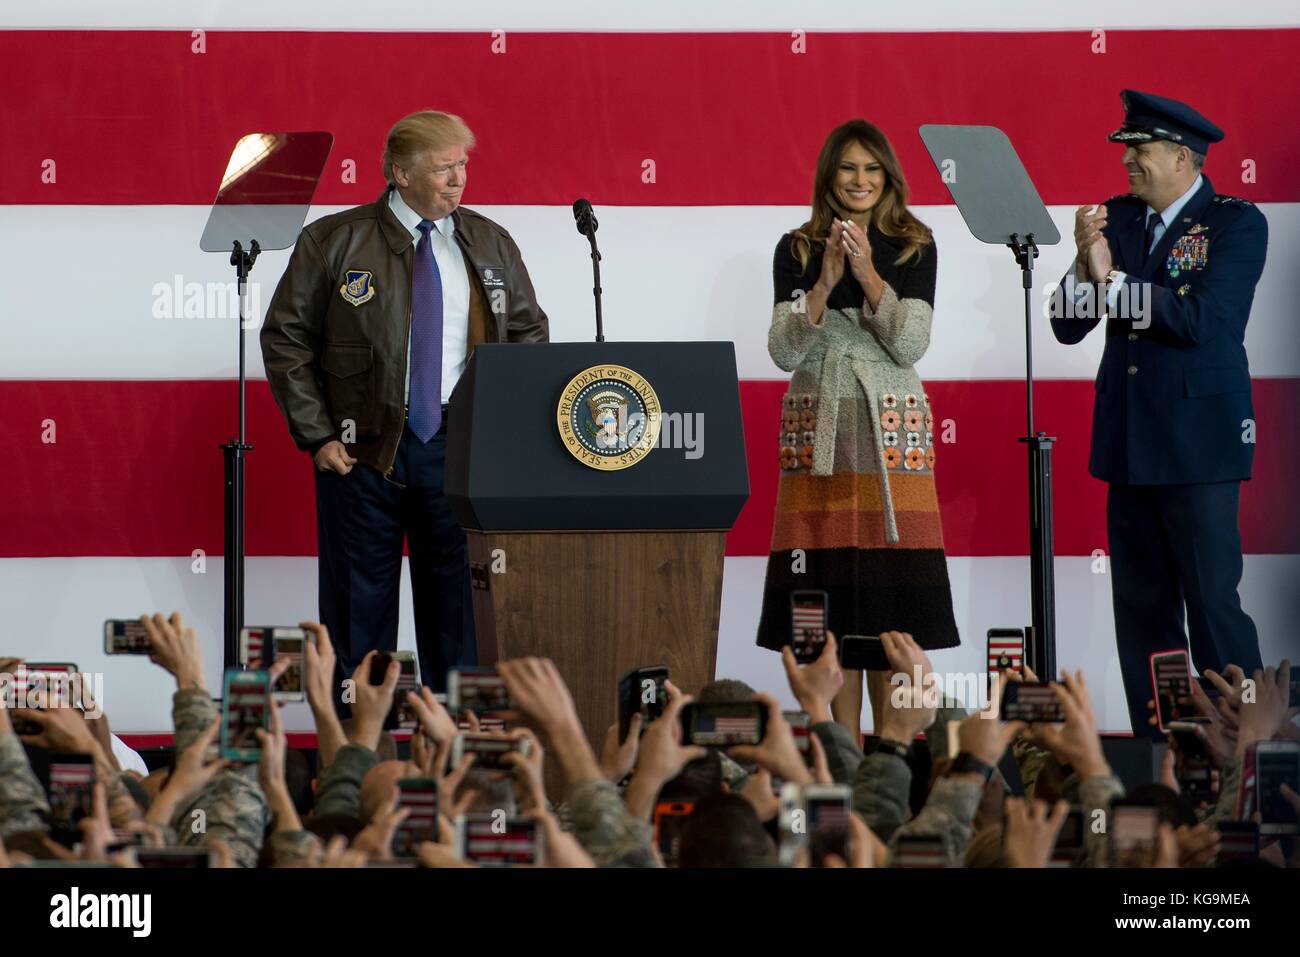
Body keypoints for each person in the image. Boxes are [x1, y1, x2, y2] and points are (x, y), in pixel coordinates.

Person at [261, 110, 549, 707]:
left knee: (461, 616)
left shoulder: (490, 243)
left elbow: (527, 335)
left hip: (460, 453)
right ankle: (358, 760)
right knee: (357, 617)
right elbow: (285, 337)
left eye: (463, 165)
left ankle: (458, 755)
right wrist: (317, 435)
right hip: (360, 454)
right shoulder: (334, 240)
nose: (458, 179)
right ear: (400, 174)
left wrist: (501, 435)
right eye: (444, 168)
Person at [1050, 90, 1267, 737]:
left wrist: (1112, 283)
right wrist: (1085, 267)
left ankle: (1248, 752)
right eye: (1127, 151)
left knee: (1212, 608)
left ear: (1182, 156)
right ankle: (1163, 759)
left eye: (1140, 150)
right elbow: (1064, 324)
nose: (1128, 163)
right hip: (1130, 447)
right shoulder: (1115, 219)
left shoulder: (1235, 224)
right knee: (1144, 620)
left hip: (1198, 451)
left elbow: (1201, 320)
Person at [755, 119, 960, 737]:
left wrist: (868, 272)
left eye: (872, 169)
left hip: (889, 443)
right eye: (848, 168)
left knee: (892, 612)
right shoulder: (794, 246)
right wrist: (822, 282)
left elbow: (910, 342)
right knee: (827, 611)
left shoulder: (914, 243)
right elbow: (783, 351)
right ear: (829, 176)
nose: (861, 180)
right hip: (818, 431)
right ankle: (835, 757)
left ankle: (893, 750)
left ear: (888, 177)